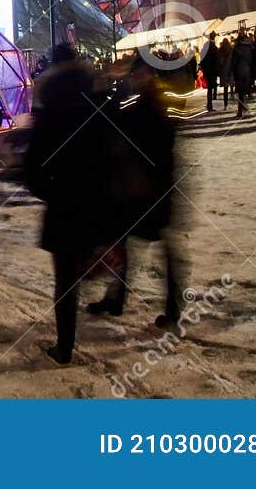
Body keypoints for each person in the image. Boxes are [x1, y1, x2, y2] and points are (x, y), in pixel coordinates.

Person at [25, 45, 106, 366]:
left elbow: (33, 167)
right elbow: (110, 153)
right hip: (95, 200)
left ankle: (65, 346)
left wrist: (51, 190)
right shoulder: (96, 102)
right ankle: (109, 295)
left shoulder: (49, 109)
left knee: (65, 280)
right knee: (86, 259)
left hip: (63, 204)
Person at [87, 59, 183, 328]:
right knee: (127, 245)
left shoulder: (156, 104)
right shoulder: (145, 102)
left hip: (151, 188)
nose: (137, 77)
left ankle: (172, 307)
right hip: (140, 188)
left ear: (150, 74)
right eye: (135, 73)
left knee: (162, 249)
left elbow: (158, 146)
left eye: (141, 73)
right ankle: (117, 298)